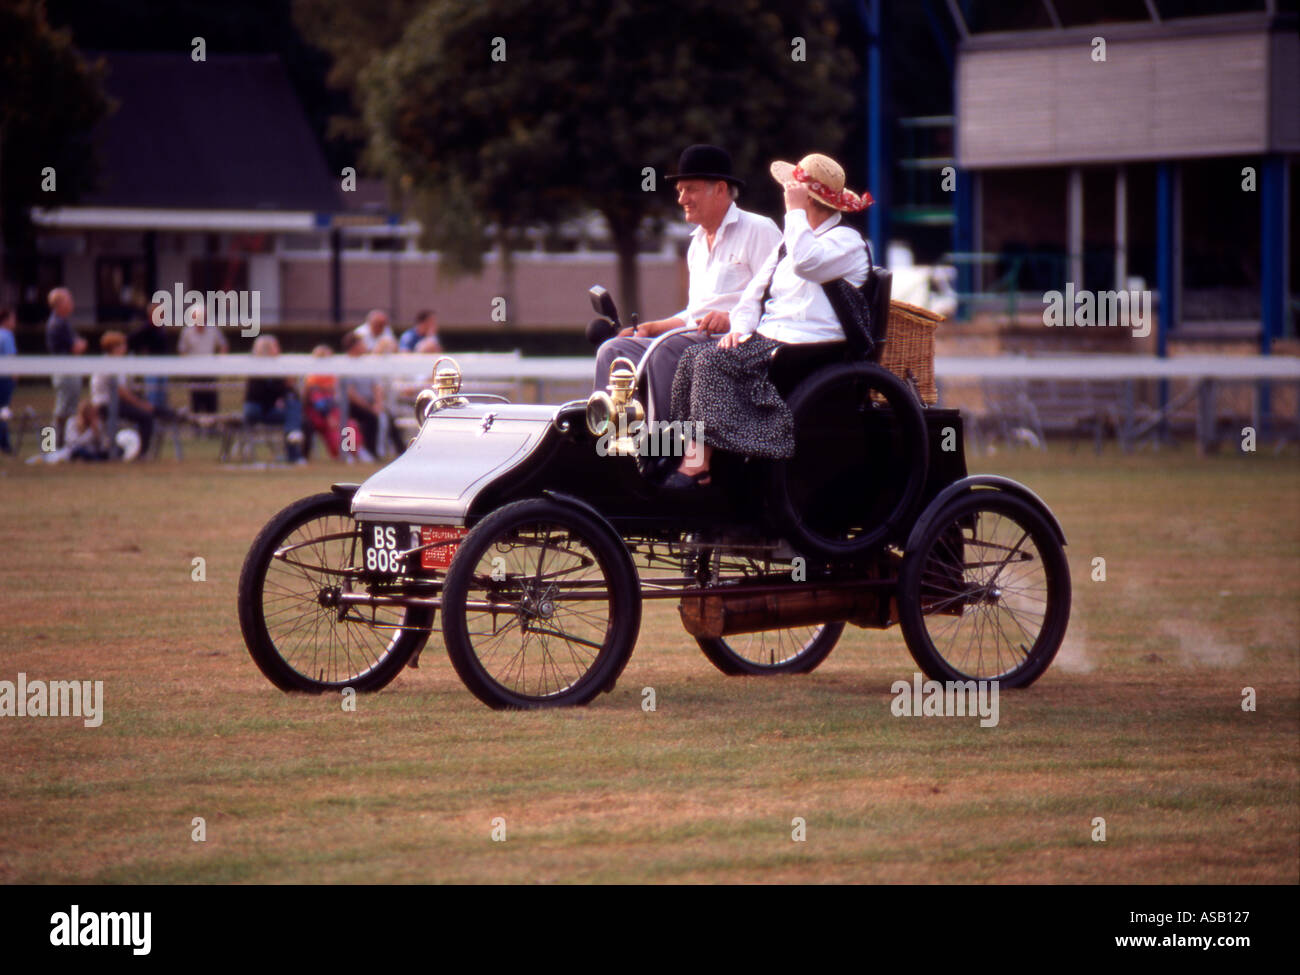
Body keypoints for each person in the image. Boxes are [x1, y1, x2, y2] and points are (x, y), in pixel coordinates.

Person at [666, 153, 871, 488]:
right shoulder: (792, 242)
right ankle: (683, 452)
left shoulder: (846, 243)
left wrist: (794, 212)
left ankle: (698, 465)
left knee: (710, 363)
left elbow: (806, 263)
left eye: (792, 192)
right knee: (691, 357)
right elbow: (755, 292)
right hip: (774, 338)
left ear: (808, 198)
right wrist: (739, 330)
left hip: (815, 348)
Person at [593, 145, 780, 419]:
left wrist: (731, 319)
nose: (682, 199)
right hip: (695, 341)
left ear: (720, 189)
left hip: (737, 345)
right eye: (680, 190)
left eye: (690, 189)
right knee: (613, 349)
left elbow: (780, 302)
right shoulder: (696, 245)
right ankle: (609, 430)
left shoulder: (759, 230)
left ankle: (663, 438)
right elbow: (694, 315)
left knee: (666, 350)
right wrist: (653, 328)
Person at [91, 330, 164, 457]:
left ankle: (171, 414)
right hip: (106, 405)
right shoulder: (109, 364)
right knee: (146, 417)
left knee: (151, 411)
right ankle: (142, 454)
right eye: (122, 345)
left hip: (116, 403)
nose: (125, 348)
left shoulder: (116, 363)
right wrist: (141, 404)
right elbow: (121, 392)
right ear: (114, 347)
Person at [243, 335, 305, 463]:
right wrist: (283, 387)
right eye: (276, 347)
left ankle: (293, 436)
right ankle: (293, 441)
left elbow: (289, 394)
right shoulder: (255, 368)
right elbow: (259, 394)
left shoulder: (278, 369)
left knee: (294, 406)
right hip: (256, 410)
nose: (279, 350)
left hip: (270, 410)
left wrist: (289, 386)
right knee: (293, 413)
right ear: (267, 350)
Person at [45, 287, 86, 446]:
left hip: (69, 370)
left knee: (68, 409)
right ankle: (50, 445)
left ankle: (63, 444)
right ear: (60, 303)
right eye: (69, 300)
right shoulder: (57, 324)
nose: (72, 304)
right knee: (62, 409)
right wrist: (79, 345)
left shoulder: (63, 322)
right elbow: (75, 347)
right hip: (64, 371)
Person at [177, 304, 228, 413]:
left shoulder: (213, 329)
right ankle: (196, 421)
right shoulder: (187, 332)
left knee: (212, 405)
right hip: (194, 373)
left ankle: (213, 421)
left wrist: (220, 361)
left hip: (210, 372)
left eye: (203, 318)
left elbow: (223, 345)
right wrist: (188, 364)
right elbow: (182, 350)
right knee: (196, 404)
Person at [0, 307, 16, 454]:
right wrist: (15, 374)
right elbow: (11, 358)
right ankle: (4, 443)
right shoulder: (7, 335)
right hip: (4, 379)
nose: (14, 321)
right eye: (12, 318)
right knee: (4, 410)